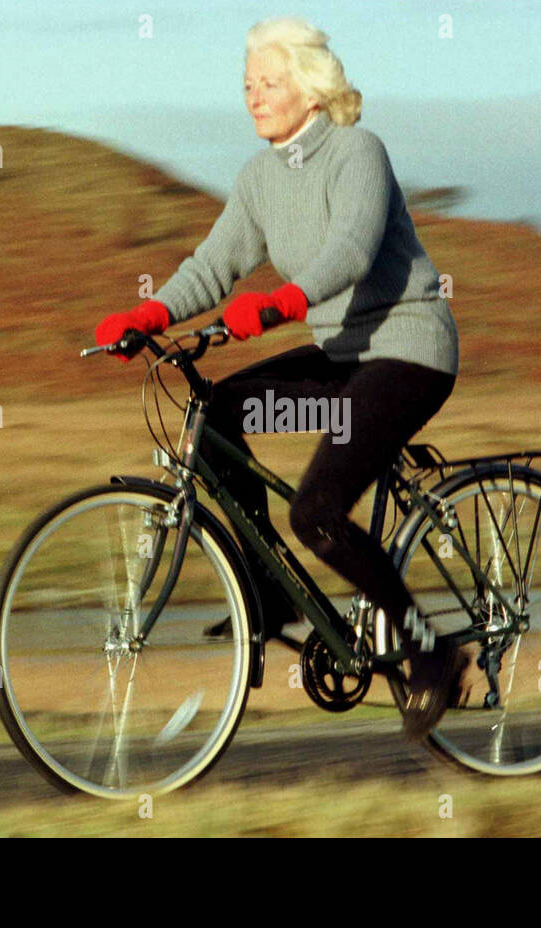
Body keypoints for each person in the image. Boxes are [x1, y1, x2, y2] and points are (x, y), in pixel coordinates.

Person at [94, 17, 463, 740]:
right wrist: (149, 312)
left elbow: (352, 248)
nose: (255, 96)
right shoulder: (260, 179)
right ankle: (270, 596)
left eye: (270, 82)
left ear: (312, 87)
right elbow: (215, 264)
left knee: (318, 510)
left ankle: (431, 654)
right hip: (343, 355)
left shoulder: (359, 152)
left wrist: (284, 302)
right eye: (247, 86)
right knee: (225, 411)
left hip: (410, 350)